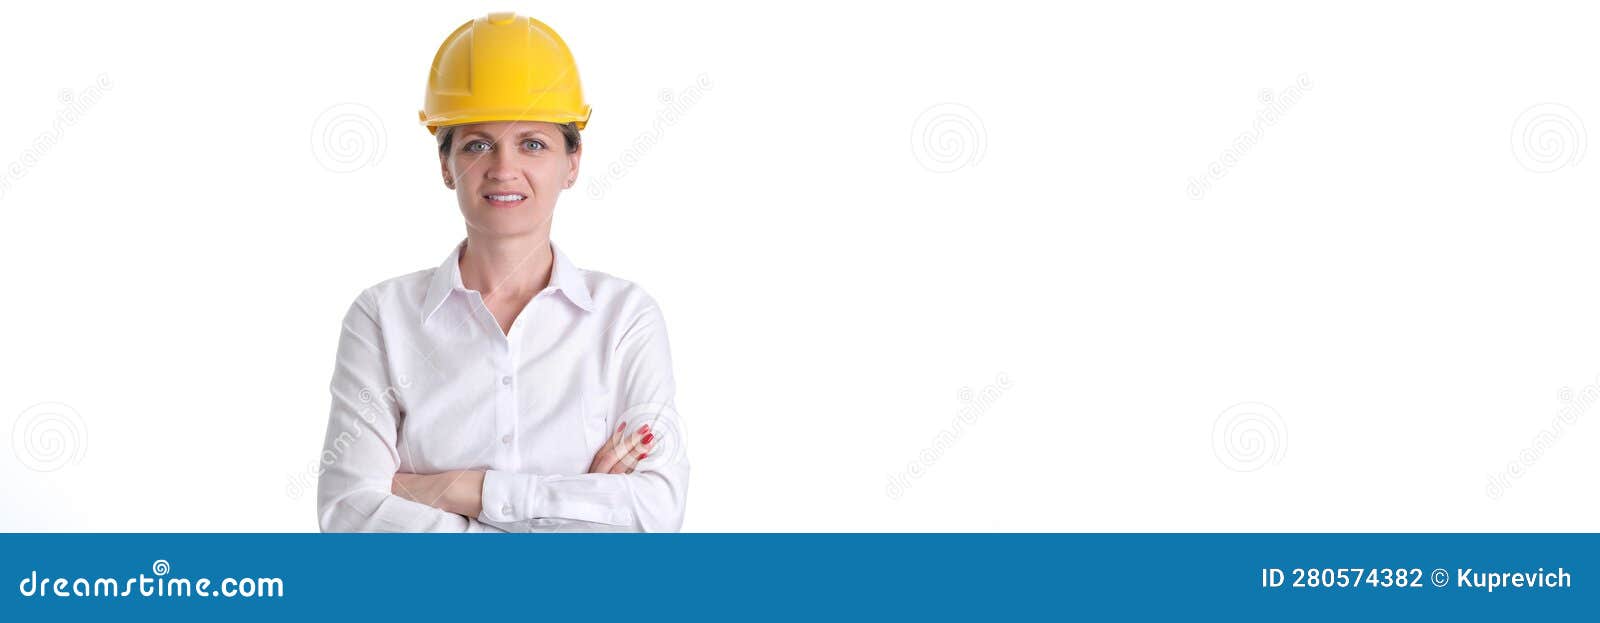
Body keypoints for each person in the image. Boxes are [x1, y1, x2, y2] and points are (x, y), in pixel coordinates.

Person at [316, 13, 688, 532]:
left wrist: (463, 489)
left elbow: (655, 514)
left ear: (572, 161)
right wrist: (574, 511)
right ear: (445, 165)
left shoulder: (626, 319)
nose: (503, 168)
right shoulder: (381, 317)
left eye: (532, 143)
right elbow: (348, 515)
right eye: (477, 144)